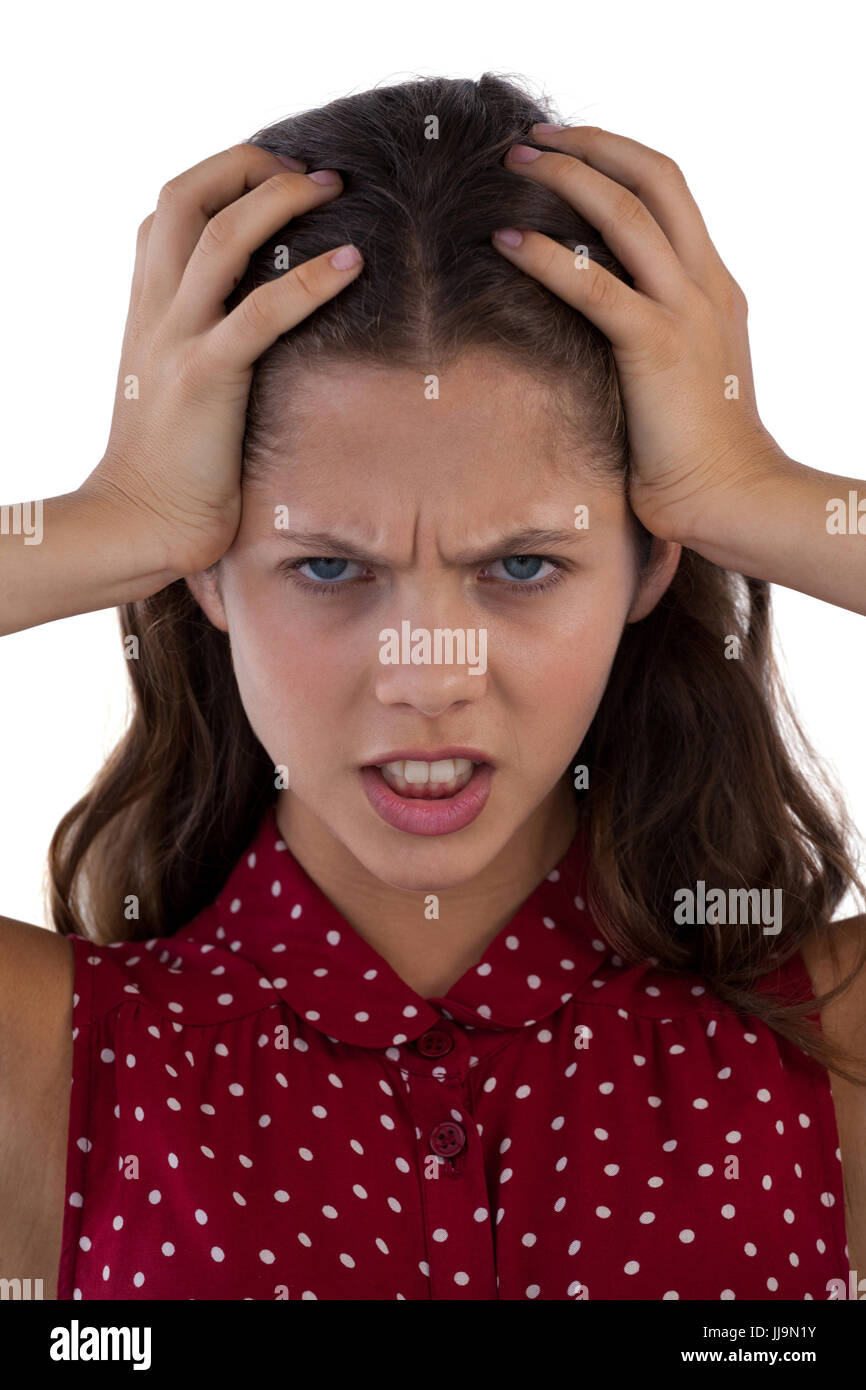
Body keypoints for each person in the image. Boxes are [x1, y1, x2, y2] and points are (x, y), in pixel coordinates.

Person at [1, 73, 864, 1302]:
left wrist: (750, 493)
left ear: (649, 561)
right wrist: (111, 518)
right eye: (327, 567)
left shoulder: (821, 1058)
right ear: (202, 569)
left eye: (521, 565)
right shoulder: (56, 1061)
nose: (426, 677)